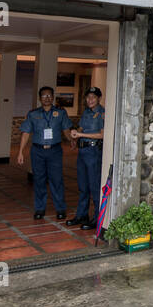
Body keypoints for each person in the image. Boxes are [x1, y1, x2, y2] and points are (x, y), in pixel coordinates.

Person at [17, 86, 71, 220]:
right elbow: (25, 133)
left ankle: (60, 209)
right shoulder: (33, 114)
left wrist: (72, 140)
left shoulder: (61, 113)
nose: (47, 98)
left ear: (53, 97)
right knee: (39, 180)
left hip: (55, 151)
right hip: (37, 151)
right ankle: (40, 209)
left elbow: (66, 130)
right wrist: (20, 152)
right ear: (40, 98)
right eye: (44, 96)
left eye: (49, 96)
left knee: (56, 180)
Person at [69, 87, 105, 229]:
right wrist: (75, 136)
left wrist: (81, 135)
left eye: (93, 97)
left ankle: (97, 218)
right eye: (88, 97)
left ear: (99, 99)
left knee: (94, 186)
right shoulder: (86, 112)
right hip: (83, 150)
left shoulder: (102, 113)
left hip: (93, 151)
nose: (90, 100)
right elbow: (81, 129)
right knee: (83, 186)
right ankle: (82, 215)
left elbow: (102, 135)